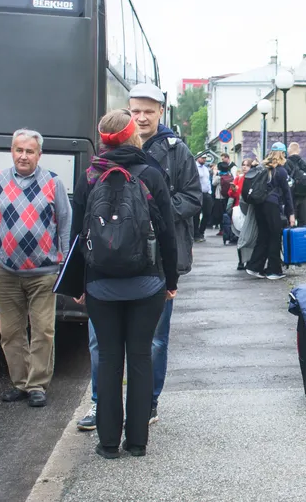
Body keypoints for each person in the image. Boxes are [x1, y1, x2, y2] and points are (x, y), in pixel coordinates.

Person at [77, 84, 201, 432]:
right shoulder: (104, 155)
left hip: (155, 262)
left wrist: (147, 215)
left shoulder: (176, 151)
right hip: (104, 262)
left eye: (149, 110)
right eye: (136, 111)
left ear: (161, 112)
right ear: (128, 113)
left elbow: (193, 197)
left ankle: (147, 405)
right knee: (100, 342)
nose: (142, 117)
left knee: (154, 342)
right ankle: (101, 403)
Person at [71, 109, 179, 459]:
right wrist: (171, 280)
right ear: (134, 136)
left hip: (101, 285)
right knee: (140, 358)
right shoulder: (150, 173)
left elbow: (77, 235)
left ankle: (107, 444)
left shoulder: (89, 176)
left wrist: (78, 284)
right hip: (147, 283)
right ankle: (137, 443)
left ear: (103, 139)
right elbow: (167, 232)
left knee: (109, 359)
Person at [0, 129, 71, 408]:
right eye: (19, 150)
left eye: (30, 151)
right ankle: (19, 383)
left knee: (43, 331)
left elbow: (65, 223)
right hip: (6, 272)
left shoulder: (53, 182)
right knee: (11, 333)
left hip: (44, 272)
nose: (23, 156)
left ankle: (37, 385)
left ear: (39, 155)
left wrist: (63, 259)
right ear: (12, 151)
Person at [245, 143, 295, 280]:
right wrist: (291, 213)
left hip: (259, 204)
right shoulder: (281, 171)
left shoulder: (261, 168)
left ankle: (255, 266)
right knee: (275, 235)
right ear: (282, 154)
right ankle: (273, 270)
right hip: (272, 205)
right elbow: (287, 194)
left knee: (263, 235)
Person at [284, 142, 306, 228]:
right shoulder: (304, 164)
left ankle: (289, 241)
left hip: (290, 197)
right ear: (299, 151)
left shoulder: (285, 164)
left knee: (289, 223)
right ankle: (302, 240)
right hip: (304, 196)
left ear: (288, 150)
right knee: (304, 223)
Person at [194, 155, 213, 243]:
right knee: (196, 214)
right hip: (198, 193)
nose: (204, 159)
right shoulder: (194, 167)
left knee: (207, 213)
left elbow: (208, 180)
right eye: (202, 158)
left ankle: (201, 231)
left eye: (205, 158)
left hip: (206, 194)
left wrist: (209, 191)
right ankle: (196, 233)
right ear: (198, 158)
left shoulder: (205, 168)